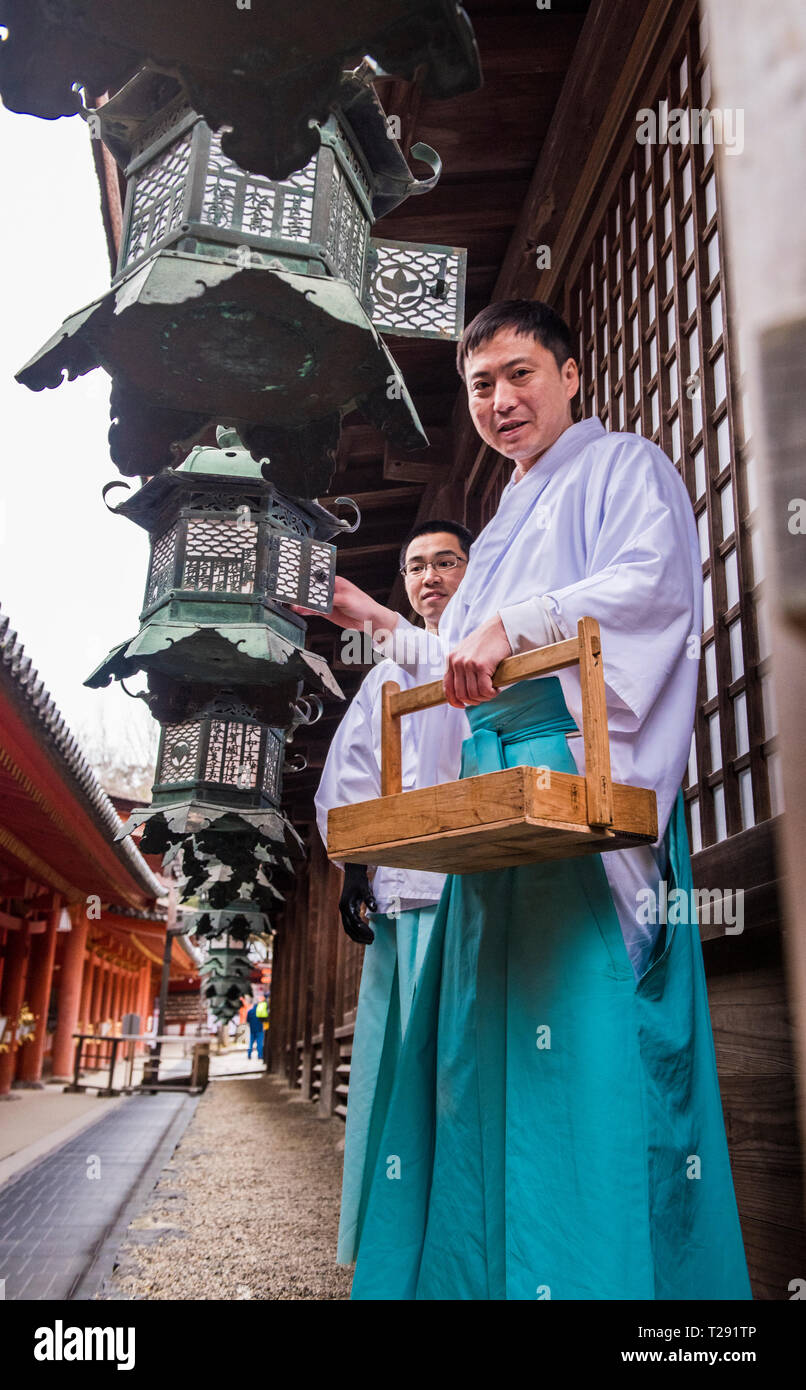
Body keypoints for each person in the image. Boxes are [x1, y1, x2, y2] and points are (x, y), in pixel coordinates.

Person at [310, 300, 751, 1300]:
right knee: (479, 1062)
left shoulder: (625, 467)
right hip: (492, 803)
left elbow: (653, 587)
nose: (502, 401)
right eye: (480, 385)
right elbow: (453, 666)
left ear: (572, 374)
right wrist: (370, 616)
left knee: (578, 1061)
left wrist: (520, 619)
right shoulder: (504, 520)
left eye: (520, 374)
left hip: (577, 789)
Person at [313, 520, 472, 1265]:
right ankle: (393, 1245)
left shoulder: (483, 648)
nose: (430, 576)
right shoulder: (383, 676)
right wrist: (354, 869)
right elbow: (351, 775)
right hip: (401, 902)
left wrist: (383, 624)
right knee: (396, 1072)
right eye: (415, 566)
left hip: (470, 891)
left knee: (457, 1069)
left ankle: (457, 1247)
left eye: (446, 561)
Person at [247, 992, 268, 1064]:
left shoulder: (250, 1011)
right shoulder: (261, 1010)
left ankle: (249, 1054)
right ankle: (260, 1055)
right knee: (259, 1043)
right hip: (260, 1029)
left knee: (250, 1043)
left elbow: (247, 1020)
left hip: (252, 1029)